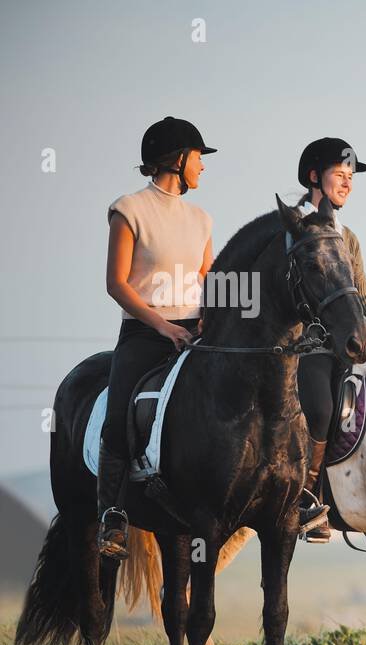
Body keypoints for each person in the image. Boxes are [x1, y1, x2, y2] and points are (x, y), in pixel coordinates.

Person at [97, 117, 215, 560]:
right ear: (179, 159)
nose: (203, 167)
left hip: (194, 332)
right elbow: (117, 283)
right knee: (119, 410)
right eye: (199, 158)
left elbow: (207, 279)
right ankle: (112, 514)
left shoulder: (201, 218)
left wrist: (208, 321)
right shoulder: (129, 209)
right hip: (146, 334)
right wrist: (162, 326)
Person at [293, 138, 366, 542]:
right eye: (341, 175)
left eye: (351, 178)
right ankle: (307, 499)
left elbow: (362, 295)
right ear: (315, 176)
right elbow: (314, 298)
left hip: (344, 344)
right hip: (303, 344)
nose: (348, 184)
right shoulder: (296, 226)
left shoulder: (347, 236)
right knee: (320, 409)